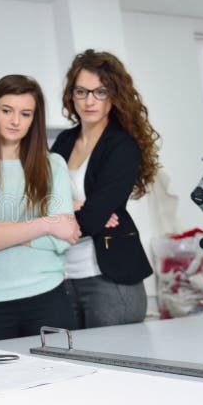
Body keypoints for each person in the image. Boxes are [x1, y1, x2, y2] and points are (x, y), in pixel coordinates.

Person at [0, 75, 81, 344]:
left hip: (48, 299)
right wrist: (45, 224)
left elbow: (64, 238)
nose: (15, 121)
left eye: (25, 114)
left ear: (35, 119)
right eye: (6, 111)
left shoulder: (53, 166)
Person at [51, 49, 160, 328]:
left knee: (115, 367)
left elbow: (91, 220)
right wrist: (76, 207)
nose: (89, 101)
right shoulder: (64, 141)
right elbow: (38, 199)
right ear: (71, 94)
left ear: (115, 95)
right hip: (63, 277)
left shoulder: (122, 147)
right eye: (81, 92)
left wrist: (65, 214)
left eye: (100, 92)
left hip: (110, 281)